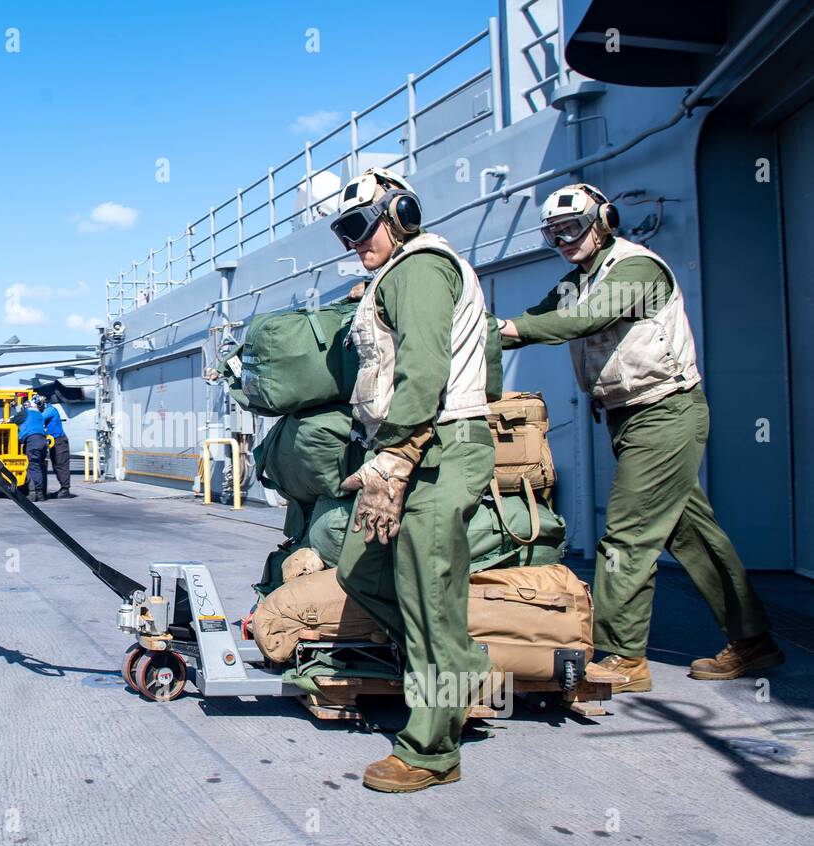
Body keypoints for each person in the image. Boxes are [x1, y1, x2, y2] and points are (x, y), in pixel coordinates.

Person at [497, 184, 778, 692]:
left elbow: (583, 319)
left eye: (572, 228)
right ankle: (753, 641)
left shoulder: (636, 269)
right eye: (554, 232)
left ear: (604, 220)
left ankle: (625, 659)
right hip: (630, 419)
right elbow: (542, 315)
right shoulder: (577, 279)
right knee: (692, 534)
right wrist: (483, 324)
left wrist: (510, 330)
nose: (563, 240)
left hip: (664, 414)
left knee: (626, 536)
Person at [330, 168, 497, 793]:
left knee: (430, 599)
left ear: (398, 213)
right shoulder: (397, 278)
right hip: (410, 446)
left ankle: (431, 749)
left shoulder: (421, 268)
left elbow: (424, 370)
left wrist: (397, 459)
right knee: (361, 569)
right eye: (342, 232)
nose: (353, 242)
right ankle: (461, 669)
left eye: (359, 227)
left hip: (436, 448)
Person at [38, 395, 74, 498]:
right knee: (56, 465)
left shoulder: (50, 410)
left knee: (61, 465)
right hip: (54, 441)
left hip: (59, 441)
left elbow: (40, 418)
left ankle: (65, 489)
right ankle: (63, 488)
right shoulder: (47, 410)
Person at [13, 397, 48, 500]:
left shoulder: (26, 413)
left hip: (33, 440)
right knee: (37, 466)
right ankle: (38, 492)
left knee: (33, 467)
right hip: (42, 441)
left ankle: (36, 494)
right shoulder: (39, 415)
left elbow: (14, 420)